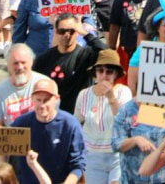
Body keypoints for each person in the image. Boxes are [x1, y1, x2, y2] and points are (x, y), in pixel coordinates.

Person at [10, 78, 87, 184]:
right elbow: (3, 147)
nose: (42, 105)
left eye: (46, 100)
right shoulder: (21, 123)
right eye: (38, 100)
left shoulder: (70, 125)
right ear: (32, 99)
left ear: (57, 99)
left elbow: (78, 164)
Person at [75, 49, 134, 184]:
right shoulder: (84, 95)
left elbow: (125, 122)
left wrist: (111, 97)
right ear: (95, 73)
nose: (104, 75)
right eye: (100, 70)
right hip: (92, 155)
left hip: (117, 155)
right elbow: (76, 124)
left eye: (109, 71)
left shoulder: (124, 92)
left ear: (115, 74)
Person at [32, 12, 110, 114]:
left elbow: (108, 54)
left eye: (71, 31)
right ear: (56, 31)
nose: (66, 35)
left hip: (80, 115)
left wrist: (85, 33)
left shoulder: (86, 55)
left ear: (77, 32)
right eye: (62, 31)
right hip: (52, 115)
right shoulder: (43, 59)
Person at [0, 44, 49, 126]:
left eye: (23, 62)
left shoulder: (45, 83)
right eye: (15, 63)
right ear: (8, 65)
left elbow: (52, 118)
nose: (20, 67)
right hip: (12, 137)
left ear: (31, 62)